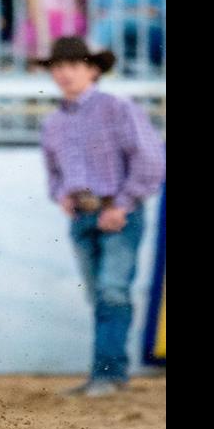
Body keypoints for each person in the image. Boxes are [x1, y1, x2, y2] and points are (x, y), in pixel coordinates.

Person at [36, 37, 164, 397]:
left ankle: (107, 375)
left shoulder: (118, 107)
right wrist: (61, 194)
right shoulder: (54, 122)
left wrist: (122, 205)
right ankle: (108, 374)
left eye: (73, 66)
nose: (64, 73)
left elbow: (150, 162)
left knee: (111, 292)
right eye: (58, 67)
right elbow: (54, 171)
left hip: (118, 212)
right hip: (82, 214)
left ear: (92, 70)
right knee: (103, 294)